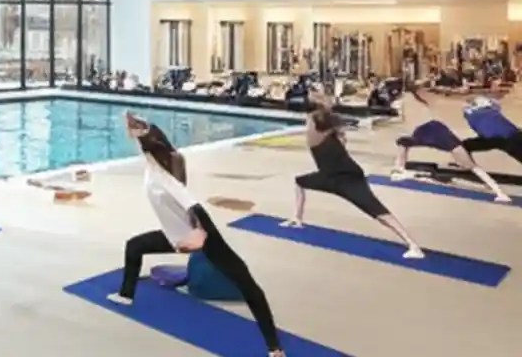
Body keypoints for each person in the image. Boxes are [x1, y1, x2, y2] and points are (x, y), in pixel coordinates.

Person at [109, 112, 285, 357]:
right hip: (177, 236)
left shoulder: (166, 180)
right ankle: (126, 295)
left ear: (149, 147)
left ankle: (274, 349)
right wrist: (136, 124)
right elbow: (148, 135)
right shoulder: (154, 163)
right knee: (135, 246)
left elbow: (194, 206)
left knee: (248, 285)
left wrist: (200, 233)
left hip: (200, 233)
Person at [279, 105, 424, 258]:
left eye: (309, 123)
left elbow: (327, 126)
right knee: (300, 182)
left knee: (377, 211)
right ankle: (297, 219)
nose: (306, 125)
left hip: (349, 178)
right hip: (329, 177)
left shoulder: (316, 138)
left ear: (318, 127)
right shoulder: (330, 135)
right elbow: (332, 127)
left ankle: (413, 246)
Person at [391, 98, 515, 202]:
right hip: (433, 129)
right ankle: (399, 170)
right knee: (472, 166)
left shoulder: (413, 105)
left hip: (432, 131)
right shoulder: (418, 106)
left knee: (471, 166)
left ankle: (499, 192)